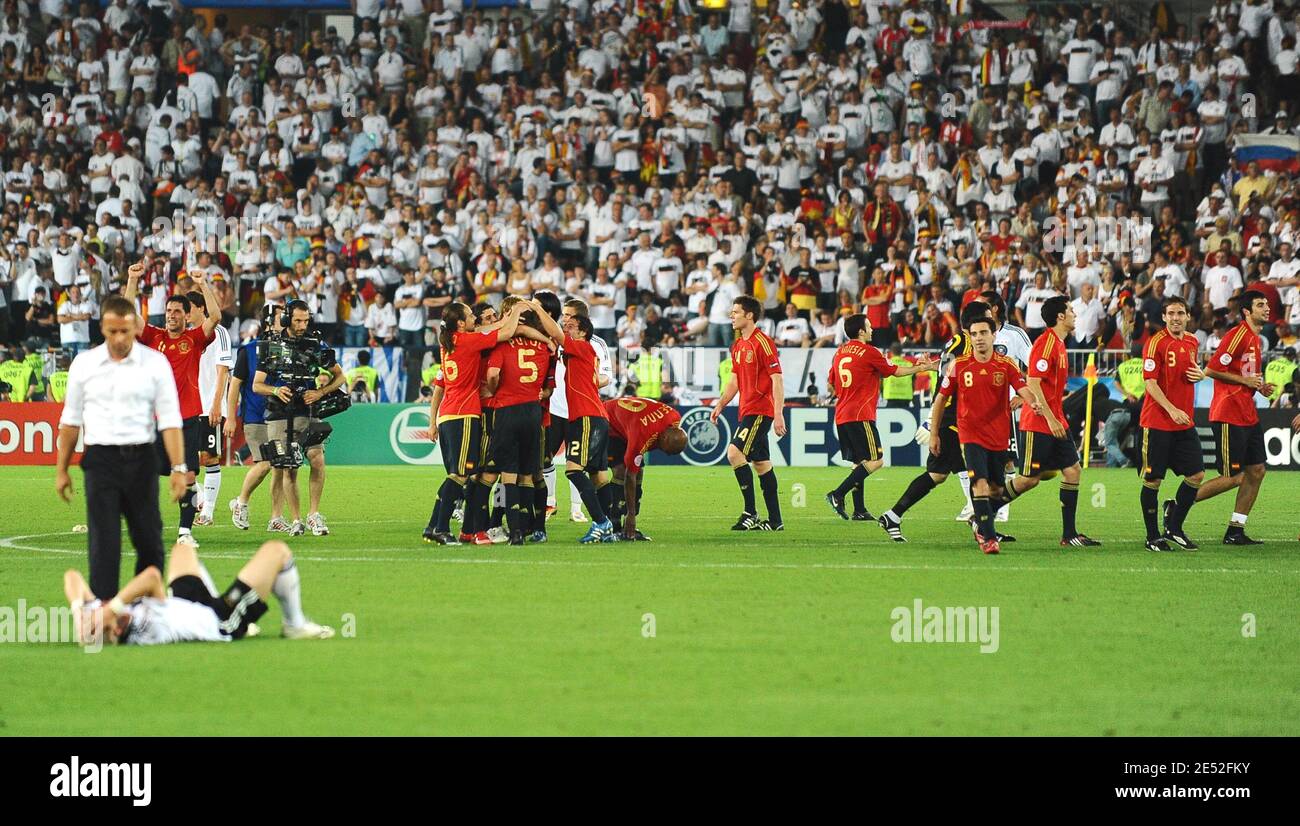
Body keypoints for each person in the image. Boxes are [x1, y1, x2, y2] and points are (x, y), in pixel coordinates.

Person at [54, 294, 187, 600]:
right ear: (102, 328)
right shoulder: (84, 365)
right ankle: (104, 612)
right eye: (112, 331)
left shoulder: (155, 363)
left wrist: (179, 469)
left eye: (125, 331)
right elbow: (70, 421)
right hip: (101, 461)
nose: (119, 338)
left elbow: (169, 421)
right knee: (104, 543)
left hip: (142, 459)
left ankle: (147, 610)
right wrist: (61, 470)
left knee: (149, 539)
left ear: (135, 328)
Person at [879, 303, 1014, 543]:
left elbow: (943, 371)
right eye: (985, 320)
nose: (989, 325)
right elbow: (948, 382)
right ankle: (983, 528)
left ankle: (894, 516)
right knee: (967, 475)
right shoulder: (966, 344)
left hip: (954, 418)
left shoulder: (956, 342)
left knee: (941, 474)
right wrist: (935, 424)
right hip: (954, 419)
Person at [65, 540, 335, 645]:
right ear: (117, 632)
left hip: (185, 603)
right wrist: (111, 609)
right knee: (276, 552)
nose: (102, 609)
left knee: (182, 549)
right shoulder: (133, 629)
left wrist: (79, 610)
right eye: (104, 617)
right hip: (217, 620)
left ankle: (214, 596)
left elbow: (72, 577)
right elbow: (151, 577)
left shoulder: (102, 619)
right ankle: (294, 624)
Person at [990, 296, 1102, 547]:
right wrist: (1051, 419)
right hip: (1039, 423)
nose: (1074, 313)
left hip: (1055, 420)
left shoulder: (1059, 344)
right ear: (1061, 317)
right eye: (1071, 310)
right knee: (1029, 479)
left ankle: (1069, 534)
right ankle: (983, 512)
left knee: (1073, 471)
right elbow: (1033, 383)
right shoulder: (1045, 344)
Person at [125, 264, 221, 548]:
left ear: (186, 315)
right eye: (168, 312)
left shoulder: (194, 340)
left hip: (188, 419)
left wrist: (203, 283)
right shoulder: (154, 337)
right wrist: (132, 279)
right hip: (157, 419)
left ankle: (184, 533)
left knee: (189, 475)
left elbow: (215, 316)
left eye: (177, 312)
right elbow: (128, 313)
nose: (171, 316)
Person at [930, 315, 1042, 555]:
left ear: (994, 335)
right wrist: (933, 434)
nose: (979, 338)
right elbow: (941, 399)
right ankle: (989, 538)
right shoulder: (959, 365)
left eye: (983, 333)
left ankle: (977, 521)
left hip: (998, 435)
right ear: (970, 337)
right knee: (979, 483)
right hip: (970, 434)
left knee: (996, 490)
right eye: (974, 334)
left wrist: (1032, 402)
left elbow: (1024, 389)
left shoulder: (1007, 364)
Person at [422, 300, 525, 545]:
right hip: (464, 415)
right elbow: (507, 332)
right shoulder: (468, 341)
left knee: (456, 474)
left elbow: (440, 385)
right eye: (470, 316)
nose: (473, 319)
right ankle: (441, 527)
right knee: (461, 474)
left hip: (448, 414)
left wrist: (433, 421)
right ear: (460, 323)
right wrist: (518, 311)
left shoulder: (448, 343)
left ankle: (433, 526)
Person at [824, 313, 935, 521]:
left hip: (842, 414)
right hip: (860, 414)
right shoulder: (869, 352)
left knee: (860, 462)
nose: (872, 329)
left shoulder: (840, 352)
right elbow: (895, 371)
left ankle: (859, 510)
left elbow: (830, 383)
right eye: (869, 326)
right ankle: (837, 494)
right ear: (861, 331)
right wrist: (921, 367)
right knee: (876, 461)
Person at [251, 301, 346, 537]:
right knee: (288, 467)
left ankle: (314, 515)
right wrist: (275, 390)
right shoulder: (271, 346)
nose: (303, 325)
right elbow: (257, 384)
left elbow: (340, 376)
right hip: (279, 414)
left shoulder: (316, 344)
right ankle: (295, 520)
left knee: (317, 458)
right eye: (297, 321)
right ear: (286, 320)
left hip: (307, 411)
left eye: (306, 320)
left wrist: (321, 392)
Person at [531, 299, 617, 543]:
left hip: (585, 418)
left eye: (571, 323)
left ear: (583, 331)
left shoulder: (582, 346)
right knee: (598, 475)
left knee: (573, 469)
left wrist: (537, 309)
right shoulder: (578, 352)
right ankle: (610, 526)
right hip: (592, 415)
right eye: (565, 321)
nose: (566, 326)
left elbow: (557, 334)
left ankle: (601, 521)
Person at [1194, 290, 1272, 544]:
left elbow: (1244, 374)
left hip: (1247, 411)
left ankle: (1235, 530)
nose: (1267, 308)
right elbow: (1211, 369)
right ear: (1247, 311)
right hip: (1229, 412)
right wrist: (1245, 380)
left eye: (1267, 304)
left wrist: (1258, 386)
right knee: (1234, 476)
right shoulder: (1238, 334)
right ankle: (1179, 504)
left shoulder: (1255, 338)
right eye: (1261, 305)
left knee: (1257, 471)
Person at [711, 295, 786, 532]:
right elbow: (734, 381)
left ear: (749, 315)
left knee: (734, 453)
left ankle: (750, 512)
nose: (731, 316)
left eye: (736, 312)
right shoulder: (738, 346)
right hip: (746, 410)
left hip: (760, 410)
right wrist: (721, 403)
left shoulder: (763, 342)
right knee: (762, 464)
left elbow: (777, 378)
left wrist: (778, 413)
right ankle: (775, 521)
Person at [1138, 297, 1207, 552]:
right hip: (1157, 422)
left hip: (1184, 422)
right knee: (1153, 479)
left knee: (1197, 474)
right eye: (1171, 313)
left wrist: (1201, 374)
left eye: (1181, 313)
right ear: (1164, 317)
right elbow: (1150, 383)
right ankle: (1152, 536)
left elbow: (1189, 373)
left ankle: (1174, 527)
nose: (1176, 317)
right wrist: (1171, 409)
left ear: (1188, 316)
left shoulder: (1192, 341)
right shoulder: (1155, 343)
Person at [483, 299, 553, 545]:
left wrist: (494, 390)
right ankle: (528, 527)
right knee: (529, 475)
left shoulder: (502, 344)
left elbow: (492, 375)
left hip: (506, 409)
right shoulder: (545, 347)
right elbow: (548, 386)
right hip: (534, 412)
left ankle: (514, 532)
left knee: (507, 475)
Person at [226, 310, 285, 532]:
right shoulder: (249, 350)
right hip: (255, 416)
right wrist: (231, 417)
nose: (286, 321)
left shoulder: (286, 350)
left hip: (279, 417)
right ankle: (241, 502)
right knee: (265, 463)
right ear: (269, 323)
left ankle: (276, 518)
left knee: (280, 465)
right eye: (282, 317)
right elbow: (235, 385)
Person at [603, 396, 688, 541]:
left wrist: (632, 515)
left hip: (628, 424)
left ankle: (628, 527)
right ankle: (613, 523)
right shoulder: (643, 434)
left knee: (639, 473)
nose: (667, 454)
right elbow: (630, 475)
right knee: (621, 472)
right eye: (668, 450)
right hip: (608, 423)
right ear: (664, 438)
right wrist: (631, 514)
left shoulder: (674, 418)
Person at [191, 289, 235, 528]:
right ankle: (199, 497)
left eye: (187, 309)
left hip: (209, 405)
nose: (184, 314)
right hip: (188, 406)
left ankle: (207, 511)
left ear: (200, 309)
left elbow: (223, 370)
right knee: (178, 460)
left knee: (209, 458)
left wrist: (217, 404)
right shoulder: (186, 335)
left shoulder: (219, 333)